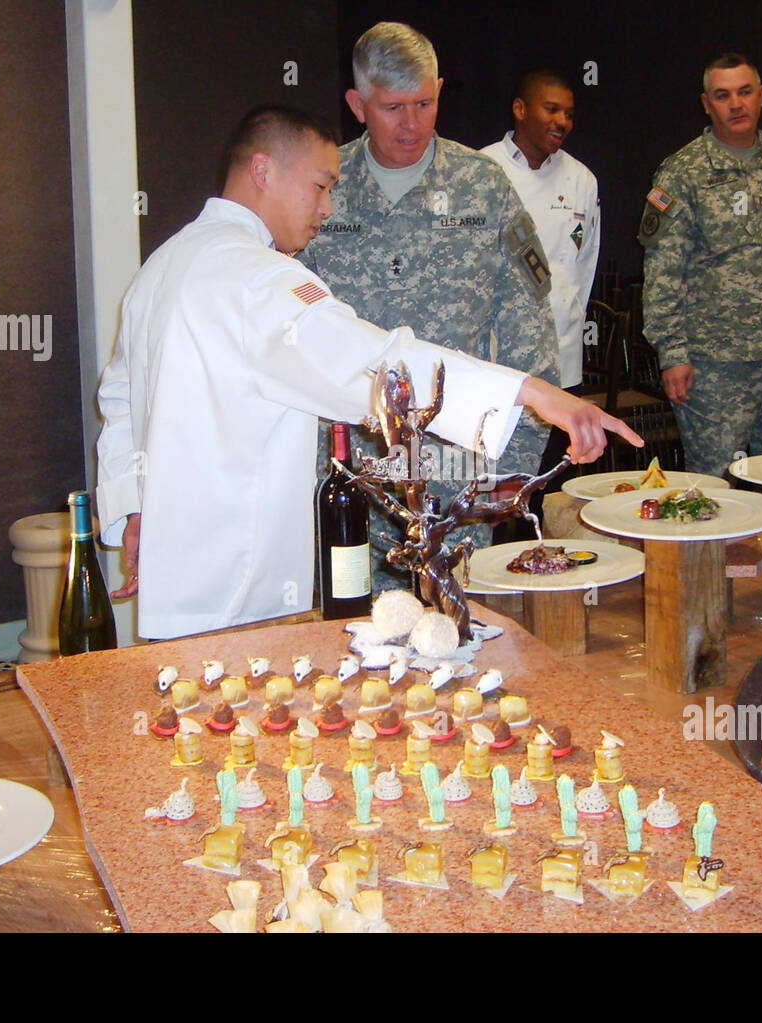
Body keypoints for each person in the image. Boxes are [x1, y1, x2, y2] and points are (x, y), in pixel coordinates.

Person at [94, 105, 638, 641]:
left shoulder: (163, 264)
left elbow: (121, 400)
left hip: (181, 576)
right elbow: (377, 364)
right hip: (240, 589)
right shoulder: (259, 280)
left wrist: (135, 506)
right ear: (263, 171)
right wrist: (529, 390)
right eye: (319, 185)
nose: (327, 207)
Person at [301, 22, 561, 577]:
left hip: (458, 470)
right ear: (357, 103)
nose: (412, 124)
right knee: (355, 636)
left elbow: (529, 334)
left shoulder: (483, 186)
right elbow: (291, 336)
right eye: (394, 107)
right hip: (351, 468)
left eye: (424, 102)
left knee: (464, 637)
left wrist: (514, 470)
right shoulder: (322, 187)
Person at [638, 53, 762, 478]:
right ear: (706, 104)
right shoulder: (683, 173)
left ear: (761, 96)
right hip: (716, 365)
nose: (736, 104)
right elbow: (663, 271)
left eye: (745, 92)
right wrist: (672, 353)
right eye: (723, 95)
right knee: (717, 482)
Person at [481, 69, 600, 527]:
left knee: (543, 487)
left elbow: (583, 266)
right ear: (520, 109)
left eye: (569, 113)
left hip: (561, 362)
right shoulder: (483, 169)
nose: (562, 121)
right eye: (551, 109)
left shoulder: (582, 181)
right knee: (496, 490)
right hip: (497, 365)